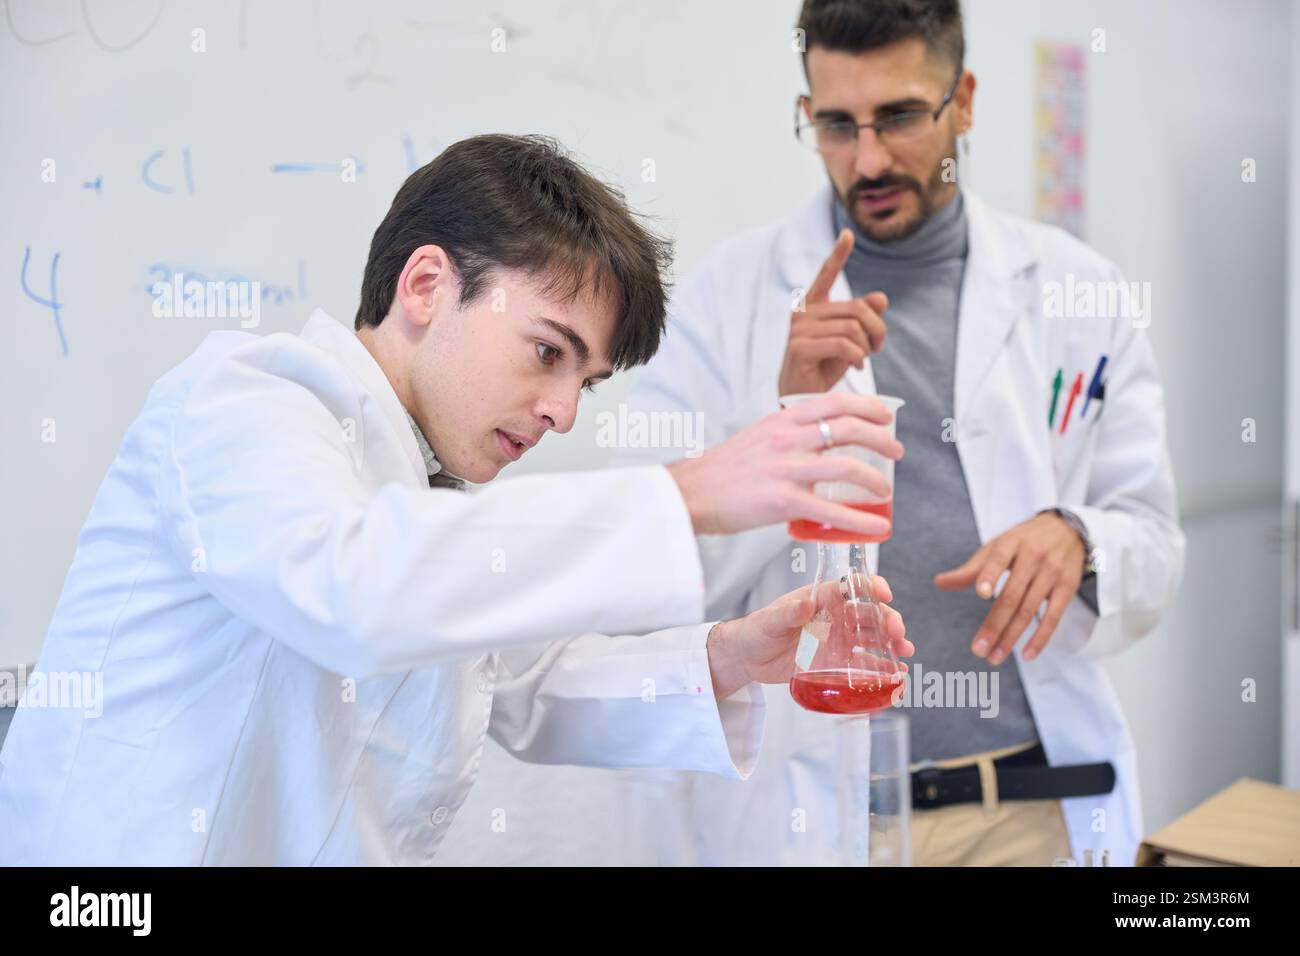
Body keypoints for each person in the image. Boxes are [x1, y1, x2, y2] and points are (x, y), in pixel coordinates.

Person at [0, 134, 908, 866]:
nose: (560, 411)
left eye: (585, 383)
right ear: (426, 285)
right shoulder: (244, 401)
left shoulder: (421, 491)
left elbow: (525, 679)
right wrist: (687, 493)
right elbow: (357, 589)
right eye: (550, 351)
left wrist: (730, 657)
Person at [612, 0, 1184, 866]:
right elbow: (647, 564)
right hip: (815, 818)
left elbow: (1154, 539)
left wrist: (1080, 539)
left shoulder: (1078, 289)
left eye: (901, 117)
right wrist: (785, 423)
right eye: (835, 124)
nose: (867, 159)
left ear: (966, 100)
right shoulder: (726, 299)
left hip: (1025, 811)